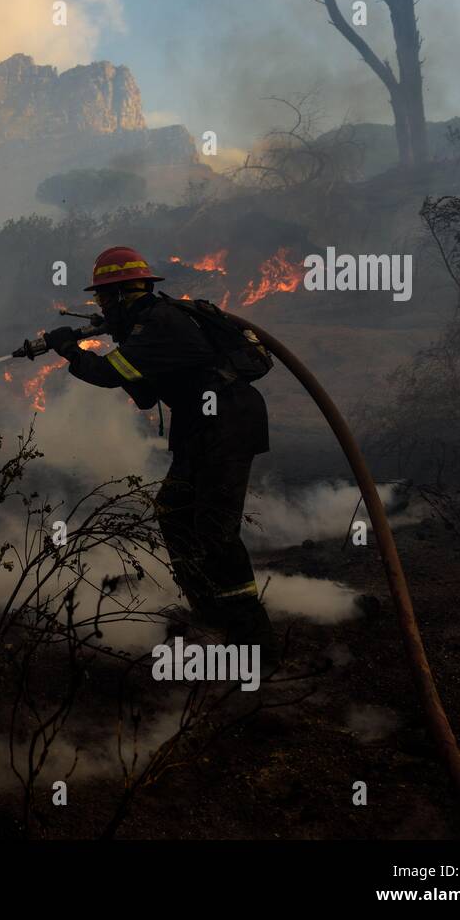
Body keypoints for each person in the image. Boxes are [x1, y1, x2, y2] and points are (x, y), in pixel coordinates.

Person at [43, 245, 279, 665]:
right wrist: (113, 345)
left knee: (215, 533)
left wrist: (69, 350)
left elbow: (108, 374)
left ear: (118, 295)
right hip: (200, 426)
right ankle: (208, 612)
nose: (99, 306)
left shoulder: (161, 323)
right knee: (174, 512)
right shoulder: (151, 324)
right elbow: (146, 390)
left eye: (101, 297)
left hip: (225, 424)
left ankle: (253, 642)